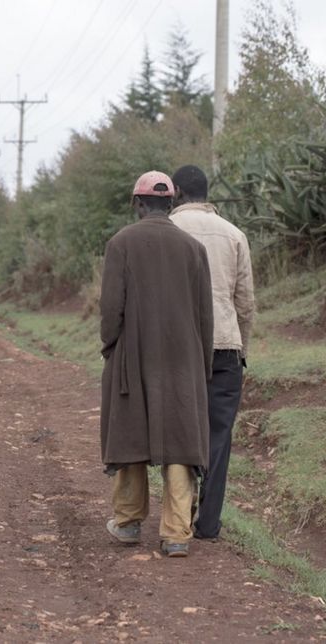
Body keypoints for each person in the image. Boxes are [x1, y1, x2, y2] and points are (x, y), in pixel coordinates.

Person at [100, 170, 213, 557]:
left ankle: (129, 523)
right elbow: (204, 316)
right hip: (184, 358)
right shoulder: (193, 248)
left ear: (138, 203)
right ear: (172, 202)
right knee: (181, 440)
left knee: (130, 434)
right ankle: (177, 533)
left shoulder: (121, 243)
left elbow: (111, 310)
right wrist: (204, 365)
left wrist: (110, 346)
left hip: (134, 353)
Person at [170, 164, 255, 540]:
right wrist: (242, 350)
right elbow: (246, 304)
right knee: (219, 435)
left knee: (181, 429)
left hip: (180, 347)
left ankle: (178, 515)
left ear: (174, 193)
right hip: (226, 347)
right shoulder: (235, 235)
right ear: (207, 194)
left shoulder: (167, 231)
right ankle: (208, 524)